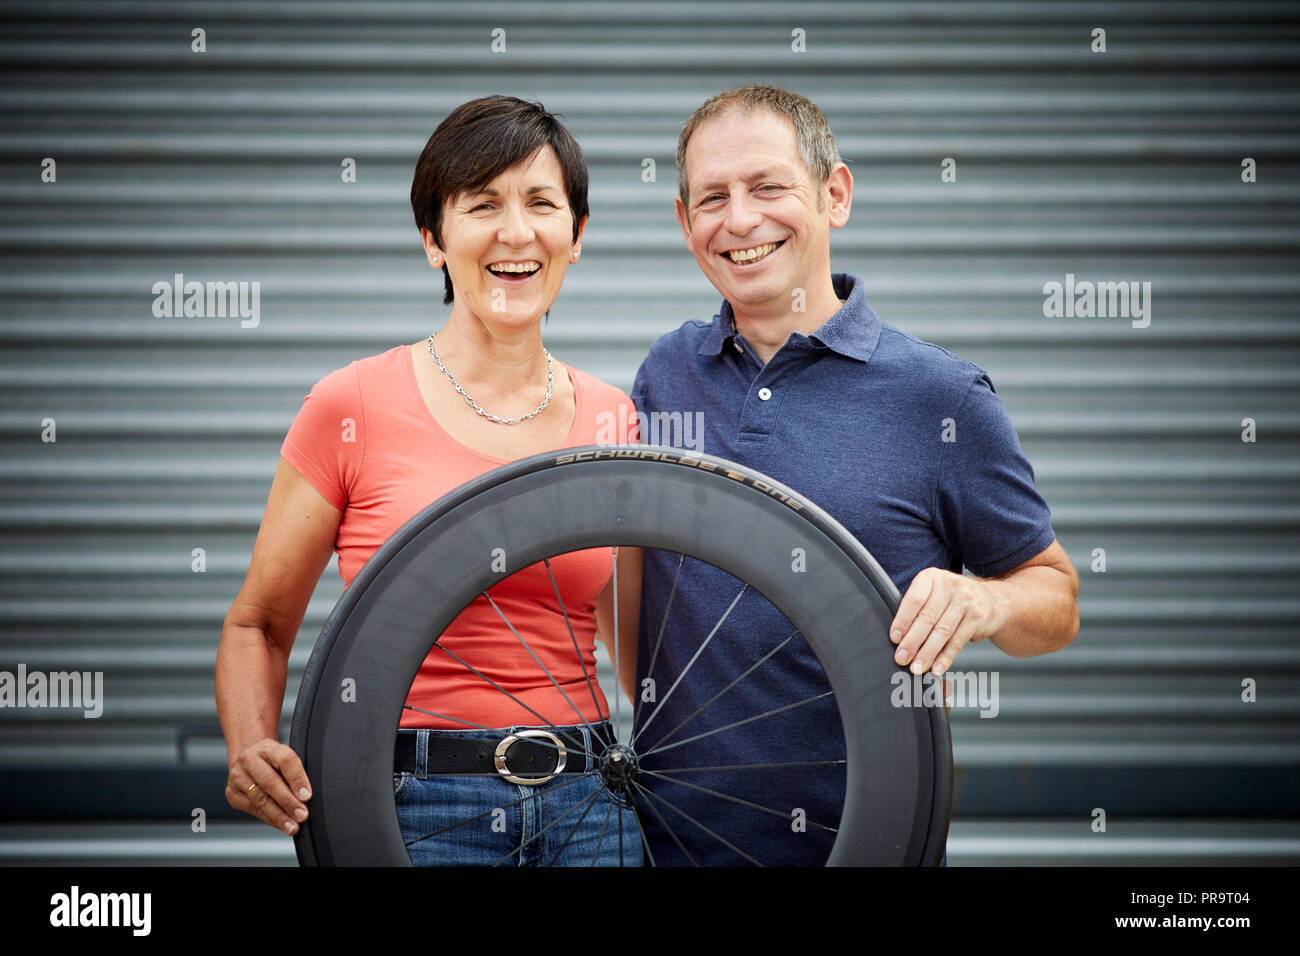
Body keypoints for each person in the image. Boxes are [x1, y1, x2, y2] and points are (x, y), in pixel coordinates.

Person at [628, 85, 1080, 865]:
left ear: (834, 195)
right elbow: (634, 579)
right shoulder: (666, 374)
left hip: (868, 839)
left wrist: (984, 598)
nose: (739, 220)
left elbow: (1057, 599)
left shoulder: (939, 396)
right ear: (684, 223)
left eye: (769, 187)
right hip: (671, 842)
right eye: (713, 198)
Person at [216, 95, 642, 866]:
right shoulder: (351, 404)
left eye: (541, 203)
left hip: (592, 802)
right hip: (413, 804)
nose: (516, 233)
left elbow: (640, 652)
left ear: (576, 236)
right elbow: (259, 625)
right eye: (482, 204)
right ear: (433, 240)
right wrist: (250, 746)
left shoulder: (615, 417)